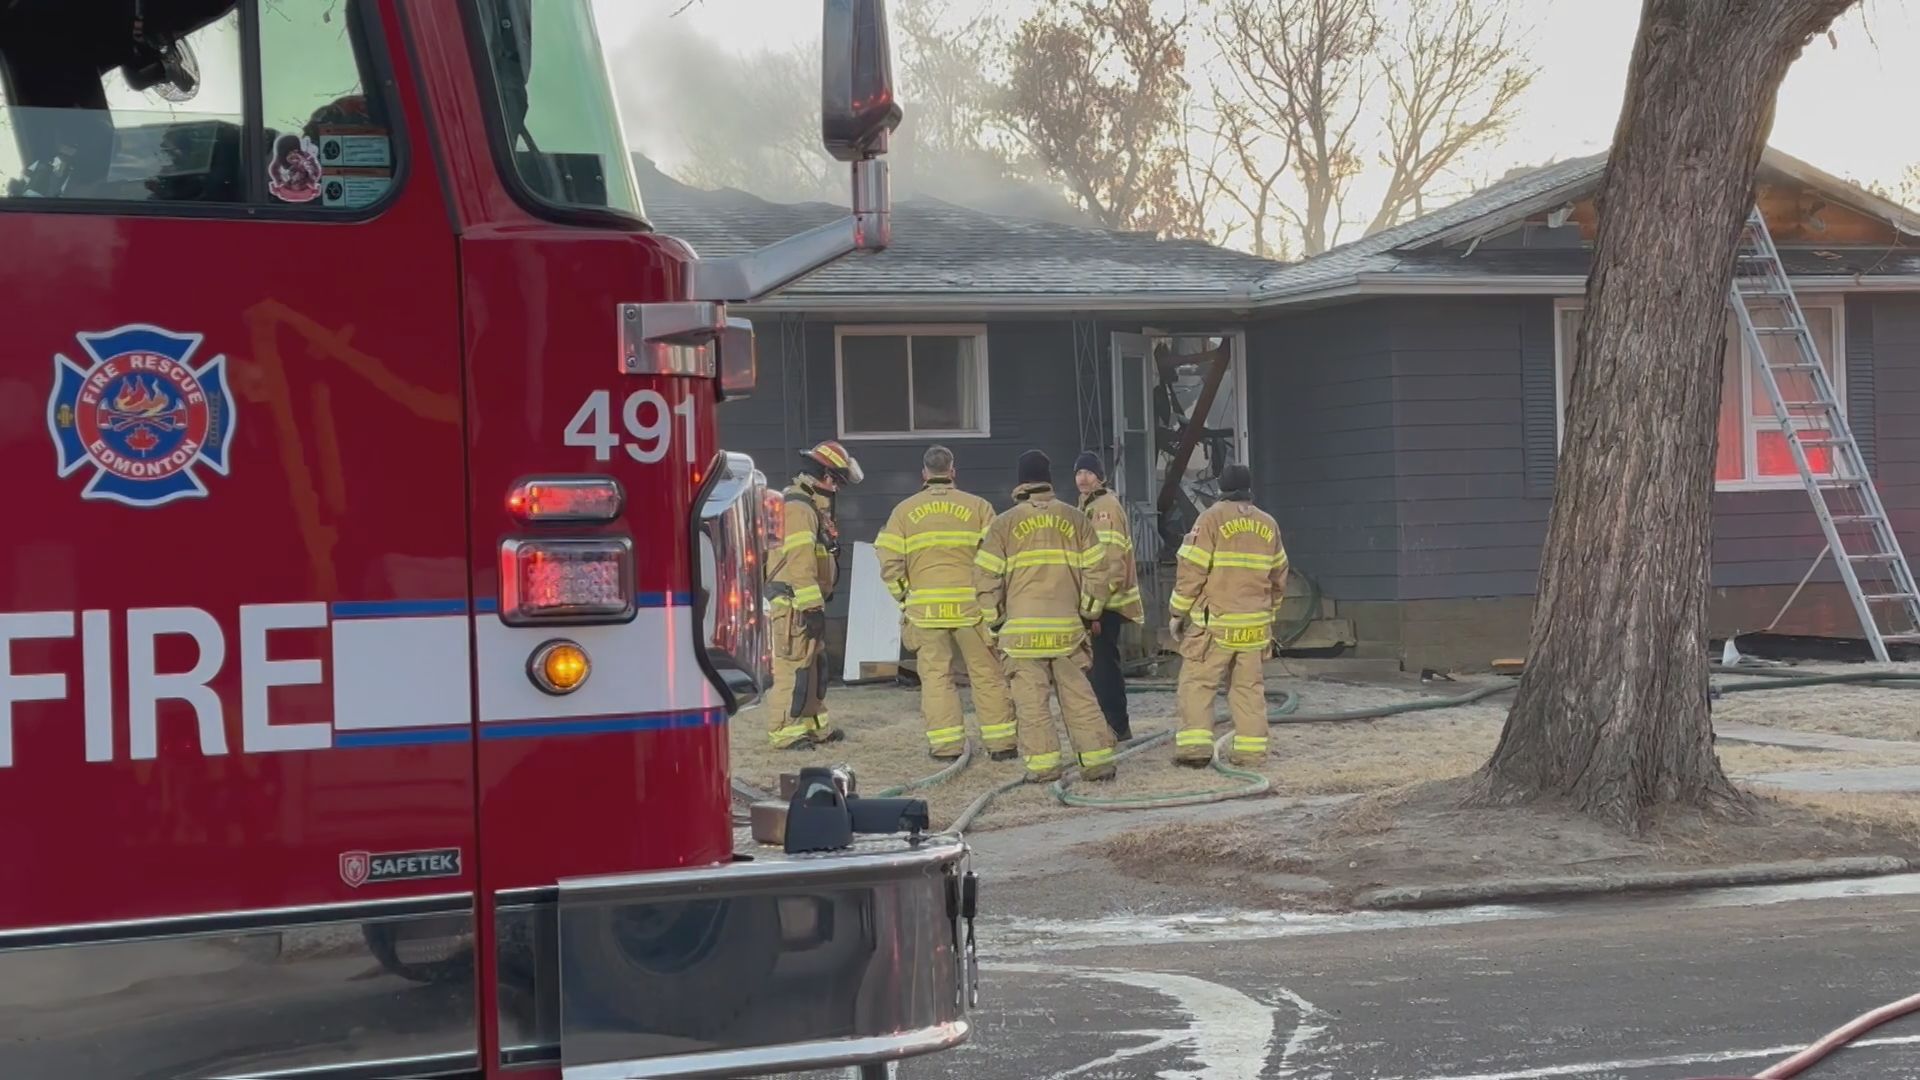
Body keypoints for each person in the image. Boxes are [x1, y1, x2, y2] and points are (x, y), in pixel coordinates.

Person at [974, 450, 1118, 783]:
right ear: (1049, 480)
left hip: (1021, 635)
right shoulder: (1076, 519)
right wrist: (1088, 613)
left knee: (1032, 705)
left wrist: (995, 621)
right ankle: (1097, 763)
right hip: (1068, 630)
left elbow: (985, 580)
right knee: (1080, 698)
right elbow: (1098, 572)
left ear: (1020, 482)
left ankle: (1043, 768)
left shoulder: (1003, 524)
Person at [876, 446, 1017, 761]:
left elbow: (888, 561)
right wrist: (992, 598)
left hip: (925, 612)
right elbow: (998, 558)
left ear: (924, 474)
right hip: (972, 610)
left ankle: (946, 747)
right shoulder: (979, 507)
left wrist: (905, 596)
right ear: (952, 471)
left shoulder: (903, 512)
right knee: (987, 675)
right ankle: (1002, 745)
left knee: (936, 678)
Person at [1168, 464, 1289, 768]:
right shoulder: (1268, 523)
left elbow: (1192, 570)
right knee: (1248, 690)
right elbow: (1279, 576)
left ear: (1221, 488)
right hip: (1254, 627)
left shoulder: (1210, 519)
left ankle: (1195, 750)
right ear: (1249, 488)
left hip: (1217, 625)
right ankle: (1250, 753)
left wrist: (1177, 612)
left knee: (1197, 683)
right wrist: (1269, 613)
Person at [765, 440, 863, 750]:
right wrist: (810, 606)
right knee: (793, 667)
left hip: (806, 603)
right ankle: (785, 732)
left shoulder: (811, 508)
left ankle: (814, 727)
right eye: (839, 482)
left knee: (813, 668)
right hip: (794, 604)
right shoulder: (798, 507)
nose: (838, 490)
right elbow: (799, 560)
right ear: (826, 476)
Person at [1073, 451, 1142, 741]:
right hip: (1097, 601)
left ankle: (1115, 726)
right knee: (1098, 667)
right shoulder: (1088, 506)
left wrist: (1095, 606)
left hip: (1104, 604)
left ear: (1100, 477)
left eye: (1088, 472)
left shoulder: (1104, 509)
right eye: (1079, 473)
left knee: (1103, 669)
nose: (1082, 478)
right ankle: (1110, 724)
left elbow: (1111, 563)